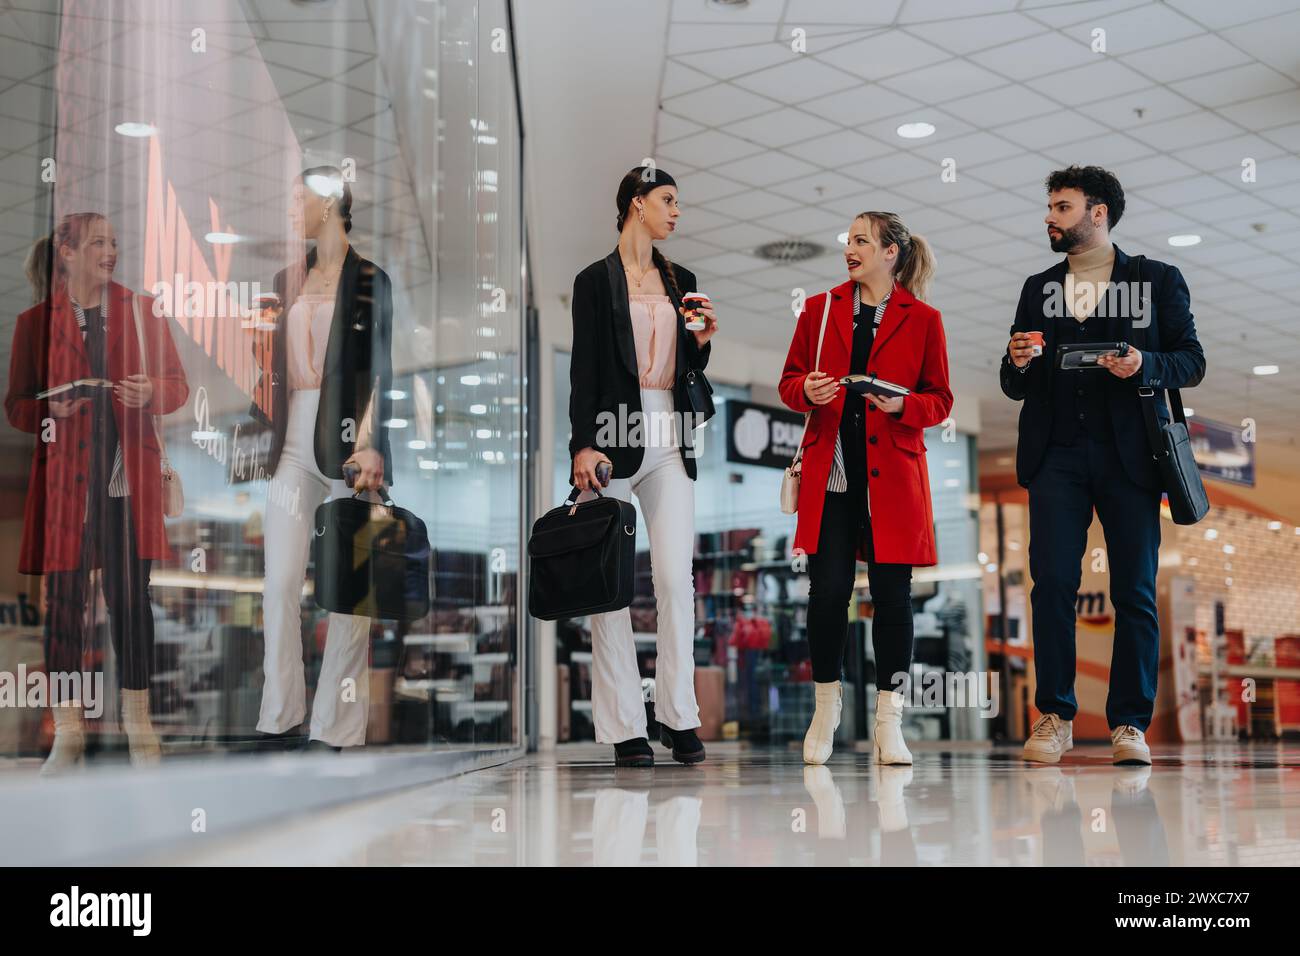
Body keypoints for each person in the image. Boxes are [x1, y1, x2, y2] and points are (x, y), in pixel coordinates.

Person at [1000, 165, 1205, 765]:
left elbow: (1190, 361)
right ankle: (1056, 716)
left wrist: (1143, 364)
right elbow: (1014, 383)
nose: (1049, 217)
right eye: (1050, 208)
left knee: (1135, 590)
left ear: (1098, 213)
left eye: (1062, 207)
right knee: (1053, 587)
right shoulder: (1038, 287)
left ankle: (1129, 725)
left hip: (1130, 456)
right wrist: (1019, 360)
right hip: (1056, 454)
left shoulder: (1157, 280)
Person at [6, 212, 189, 772]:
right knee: (63, 607)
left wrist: (150, 390)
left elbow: (178, 388)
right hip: (66, 485)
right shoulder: (36, 322)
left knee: (132, 603)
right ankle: (69, 731)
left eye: (114, 241)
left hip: (124, 478)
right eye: (97, 243)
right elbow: (16, 405)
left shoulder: (142, 310)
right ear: (66, 252)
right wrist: (49, 407)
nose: (110, 251)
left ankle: (139, 724)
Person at [778, 211, 951, 766]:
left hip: (893, 479)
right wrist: (808, 388)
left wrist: (903, 404)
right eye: (847, 240)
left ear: (890, 252)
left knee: (894, 600)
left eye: (860, 241)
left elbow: (941, 399)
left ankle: (889, 721)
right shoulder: (819, 309)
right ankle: (824, 711)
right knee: (827, 594)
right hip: (832, 475)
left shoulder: (923, 319)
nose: (849, 249)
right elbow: (789, 384)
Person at [568, 165, 718, 767]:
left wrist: (704, 339)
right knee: (611, 588)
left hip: (670, 432)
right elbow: (583, 371)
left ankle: (677, 716)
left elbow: (692, 365)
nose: (676, 212)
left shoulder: (682, 279)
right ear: (637, 205)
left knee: (674, 578)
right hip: (610, 438)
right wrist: (582, 443)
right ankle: (625, 725)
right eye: (668, 201)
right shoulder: (592, 282)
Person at [250, 166, 394, 750]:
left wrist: (369, 440)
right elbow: (268, 367)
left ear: (331, 205)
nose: (291, 209)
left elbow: (377, 367)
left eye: (298, 198)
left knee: (349, 586)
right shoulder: (286, 278)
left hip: (346, 436)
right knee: (280, 580)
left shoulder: (370, 279)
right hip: (291, 434)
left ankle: (335, 727)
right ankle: (280, 717)